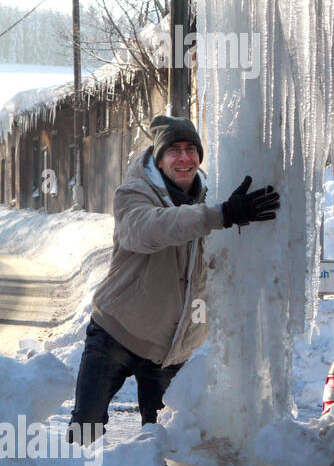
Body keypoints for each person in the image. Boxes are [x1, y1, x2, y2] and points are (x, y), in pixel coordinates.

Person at [66, 114, 280, 445]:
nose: (184, 158)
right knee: (85, 430)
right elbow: (147, 230)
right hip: (116, 333)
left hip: (170, 350)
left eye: (191, 149)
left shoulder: (213, 197)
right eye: (174, 150)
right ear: (159, 157)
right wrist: (220, 215)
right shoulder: (133, 194)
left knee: (167, 446)